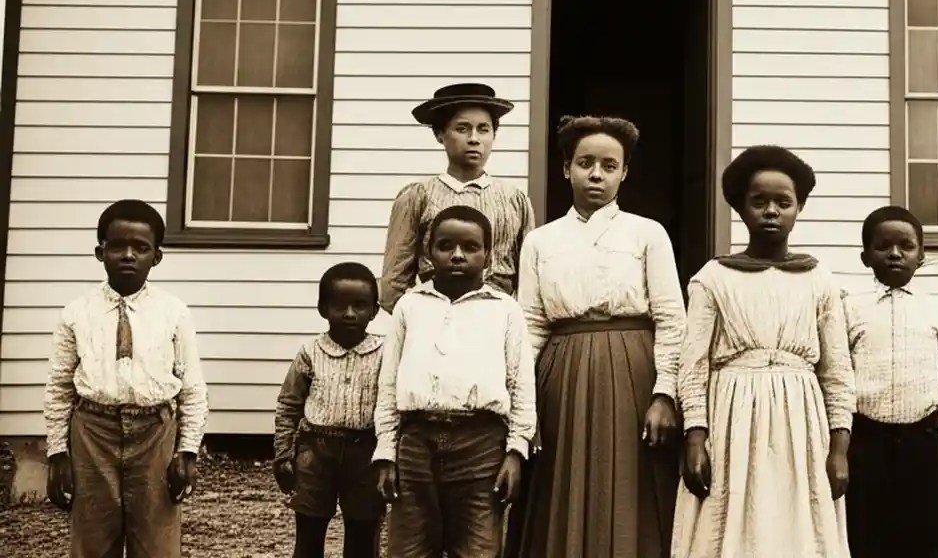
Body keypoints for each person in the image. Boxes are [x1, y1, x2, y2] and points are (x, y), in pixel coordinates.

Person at [511, 115, 685, 558]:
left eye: (609, 165)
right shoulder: (541, 241)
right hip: (562, 375)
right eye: (585, 163)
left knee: (630, 483)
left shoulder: (647, 233)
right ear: (565, 168)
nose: (596, 174)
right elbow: (530, 324)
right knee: (559, 480)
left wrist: (664, 393)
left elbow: (670, 317)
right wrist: (524, 406)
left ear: (624, 172)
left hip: (633, 369)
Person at [672, 145, 854, 558]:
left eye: (783, 202)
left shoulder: (818, 279)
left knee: (799, 525)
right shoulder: (713, 278)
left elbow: (837, 370)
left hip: (801, 419)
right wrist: (695, 438)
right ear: (739, 207)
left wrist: (839, 447)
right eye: (759, 202)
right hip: (733, 416)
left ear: (799, 208)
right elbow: (693, 367)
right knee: (734, 519)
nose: (771, 211)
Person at [43, 199, 209, 558]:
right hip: (92, 432)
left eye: (141, 248)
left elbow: (192, 388)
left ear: (157, 257)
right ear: (100, 252)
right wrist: (57, 453)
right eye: (118, 246)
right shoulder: (76, 313)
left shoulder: (174, 312)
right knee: (92, 540)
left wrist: (187, 450)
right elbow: (59, 387)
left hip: (155, 433)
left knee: (156, 544)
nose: (128, 256)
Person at [374, 204, 536, 558]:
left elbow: (521, 384)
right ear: (429, 252)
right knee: (410, 548)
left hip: (481, 445)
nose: (458, 255)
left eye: (471, 247)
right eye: (446, 246)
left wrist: (515, 451)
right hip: (417, 443)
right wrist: (386, 451)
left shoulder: (505, 309)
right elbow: (388, 385)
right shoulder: (410, 305)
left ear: (488, 254)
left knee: (477, 548)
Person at [842, 205, 938, 558]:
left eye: (906, 246)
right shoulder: (848, 308)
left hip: (925, 442)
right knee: (866, 536)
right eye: (883, 246)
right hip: (865, 441)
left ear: (922, 255)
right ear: (866, 256)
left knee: (925, 538)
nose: (895, 254)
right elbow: (836, 383)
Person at [380, 82, 536, 312]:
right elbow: (393, 285)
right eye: (462, 129)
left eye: (483, 129)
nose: (474, 139)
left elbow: (529, 282)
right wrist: (424, 318)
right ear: (439, 134)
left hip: (496, 320)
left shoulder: (514, 200)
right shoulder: (418, 197)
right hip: (435, 318)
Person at [274, 262, 385, 558]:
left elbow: (390, 409)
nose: (350, 314)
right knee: (309, 535)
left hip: (365, 454)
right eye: (340, 305)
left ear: (374, 311)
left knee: (363, 536)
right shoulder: (310, 352)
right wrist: (284, 454)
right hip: (316, 451)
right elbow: (289, 405)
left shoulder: (384, 354)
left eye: (360, 305)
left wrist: (389, 456)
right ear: (323, 308)